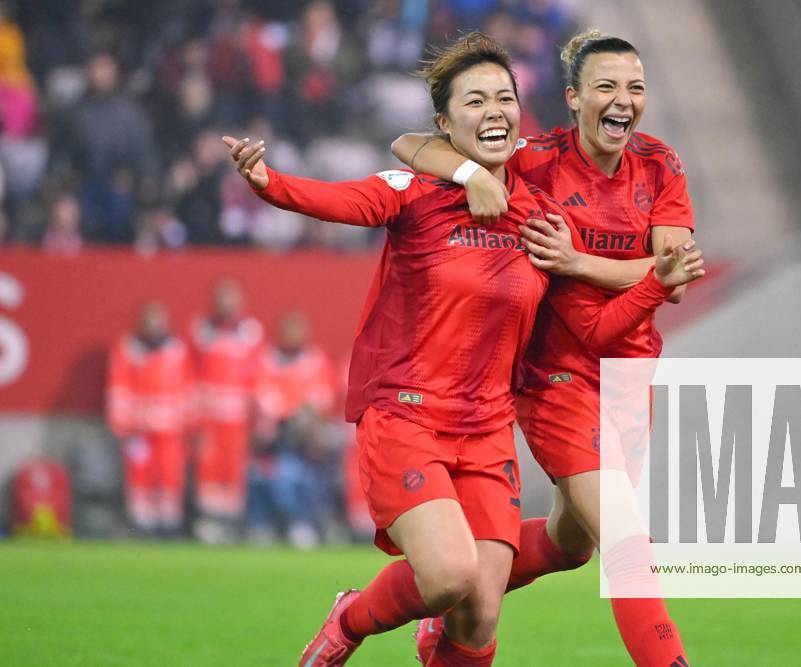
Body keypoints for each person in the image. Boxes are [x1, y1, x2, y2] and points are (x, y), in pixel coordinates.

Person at [224, 31, 701, 667]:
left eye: (504, 98)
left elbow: (629, 297)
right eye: (474, 102)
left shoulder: (542, 206)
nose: (494, 111)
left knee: (506, 593)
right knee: (475, 573)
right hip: (436, 408)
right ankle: (351, 617)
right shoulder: (442, 185)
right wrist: (269, 182)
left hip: (504, 421)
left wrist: (619, 274)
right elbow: (379, 169)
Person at [392, 30, 696, 666]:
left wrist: (576, 261)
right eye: (606, 87)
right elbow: (409, 145)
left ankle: (457, 601)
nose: (623, 101)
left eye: (635, 88)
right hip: (557, 378)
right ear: (574, 98)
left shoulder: (660, 164)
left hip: (630, 377)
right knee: (627, 544)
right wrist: (473, 171)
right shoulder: (538, 158)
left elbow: (669, 274)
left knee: (569, 544)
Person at [106, 301, 195, 536]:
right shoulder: (128, 350)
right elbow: (119, 388)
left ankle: (168, 524)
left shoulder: (177, 351)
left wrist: (189, 425)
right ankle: (140, 524)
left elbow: (186, 389)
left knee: (169, 475)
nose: (154, 326)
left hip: (170, 428)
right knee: (139, 477)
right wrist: (122, 423)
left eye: (159, 321)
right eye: (149, 321)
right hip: (139, 428)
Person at [247, 311, 336, 548]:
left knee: (306, 477)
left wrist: (301, 416)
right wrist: (285, 417)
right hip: (275, 438)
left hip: (306, 439)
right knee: (263, 475)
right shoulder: (268, 360)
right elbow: (264, 395)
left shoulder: (315, 361)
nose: (292, 336)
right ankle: (262, 524)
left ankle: (305, 523)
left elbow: (321, 397)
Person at [189, 279, 263, 543]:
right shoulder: (201, 331)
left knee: (233, 472)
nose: (227, 305)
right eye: (222, 298)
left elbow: (257, 376)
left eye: (231, 298)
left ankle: (231, 525)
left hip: (237, 419)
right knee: (208, 470)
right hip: (209, 417)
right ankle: (209, 521)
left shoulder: (251, 333)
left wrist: (258, 418)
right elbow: (190, 374)